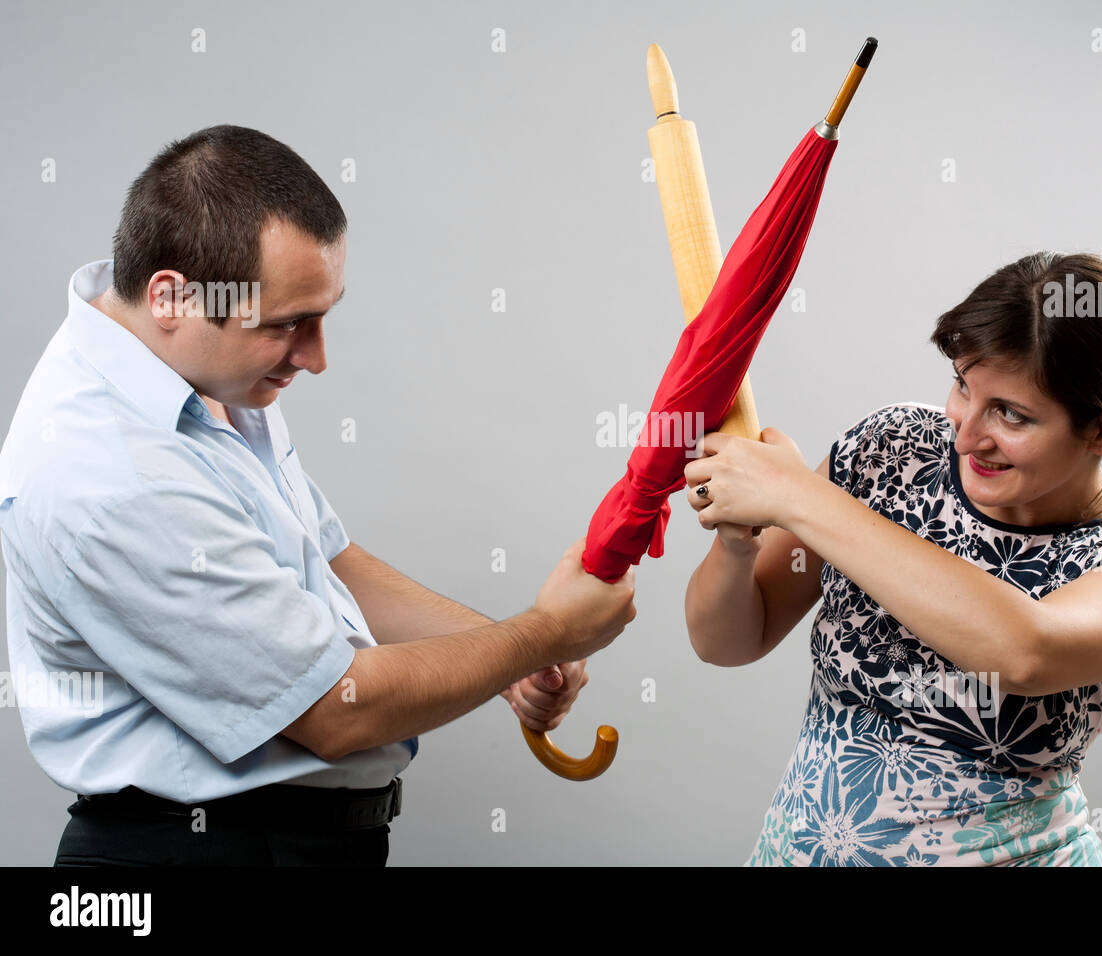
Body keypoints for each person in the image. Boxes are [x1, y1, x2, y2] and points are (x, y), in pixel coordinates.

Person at [0, 125, 636, 867]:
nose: (316, 357)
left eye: (322, 316)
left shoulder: (197, 371)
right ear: (170, 296)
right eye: (287, 326)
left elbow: (326, 562)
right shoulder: (109, 470)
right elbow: (333, 708)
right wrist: (542, 635)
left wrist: (508, 659)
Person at [682, 248, 1102, 866]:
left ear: (1101, 431)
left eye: (1010, 414)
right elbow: (727, 643)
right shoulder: (891, 449)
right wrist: (737, 544)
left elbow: (1026, 652)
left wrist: (798, 497)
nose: (965, 434)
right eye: (962, 384)